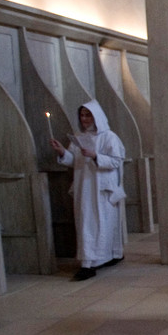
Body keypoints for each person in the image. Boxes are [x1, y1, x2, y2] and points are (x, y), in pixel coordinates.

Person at [51, 100, 126, 281]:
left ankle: (106, 257)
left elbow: (116, 160)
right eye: (82, 115)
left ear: (96, 116)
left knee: (103, 224)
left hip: (101, 189)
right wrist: (62, 152)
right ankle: (89, 262)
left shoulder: (109, 137)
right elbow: (74, 161)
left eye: (88, 115)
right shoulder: (79, 137)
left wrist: (95, 156)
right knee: (87, 224)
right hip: (84, 188)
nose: (84, 119)